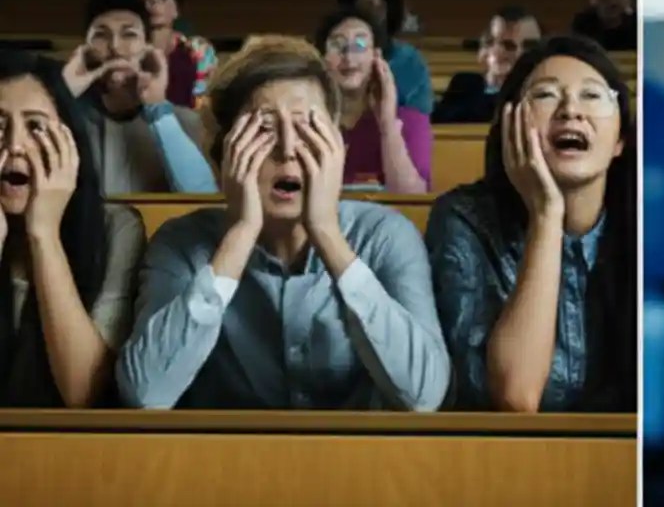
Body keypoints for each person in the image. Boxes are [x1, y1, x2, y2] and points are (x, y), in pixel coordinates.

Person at [115, 36, 451, 410]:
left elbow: (424, 394)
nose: (289, 148)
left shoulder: (387, 236)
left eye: (308, 127)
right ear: (225, 151)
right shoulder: (181, 244)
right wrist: (241, 234)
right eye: (264, 129)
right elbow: (147, 394)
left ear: (337, 147)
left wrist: (327, 234)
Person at [426, 35, 636, 412]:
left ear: (620, 138)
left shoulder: (651, 225)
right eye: (545, 95)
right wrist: (546, 215)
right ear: (510, 126)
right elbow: (515, 396)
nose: (571, 110)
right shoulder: (464, 220)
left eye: (592, 95)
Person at [0, 52, 144, 407]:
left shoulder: (117, 229)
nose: (14, 145)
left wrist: (44, 234)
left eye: (36, 127)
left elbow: (82, 393)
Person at [61, 0, 216, 195]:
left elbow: (203, 197)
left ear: (148, 48)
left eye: (129, 34)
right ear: (84, 50)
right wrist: (62, 93)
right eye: (101, 35)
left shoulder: (183, 122)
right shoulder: (68, 120)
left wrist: (158, 109)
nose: (115, 47)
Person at [314, 8, 433, 193]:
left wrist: (388, 125)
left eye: (360, 44)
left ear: (377, 57)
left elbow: (411, 200)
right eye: (337, 45)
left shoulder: (412, 121)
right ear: (322, 59)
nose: (349, 56)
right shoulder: (308, 121)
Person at [337, 0, 434, 115]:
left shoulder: (410, 61)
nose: (372, 18)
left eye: (379, 8)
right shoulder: (333, 59)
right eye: (365, 8)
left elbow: (418, 119)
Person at [432, 6, 542, 125]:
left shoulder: (548, 92)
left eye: (530, 46)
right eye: (508, 46)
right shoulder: (465, 87)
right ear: (485, 51)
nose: (520, 54)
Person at [137, 0, 218, 109]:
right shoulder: (130, 50)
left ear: (177, 8)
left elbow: (203, 102)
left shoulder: (199, 50)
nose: (152, 3)